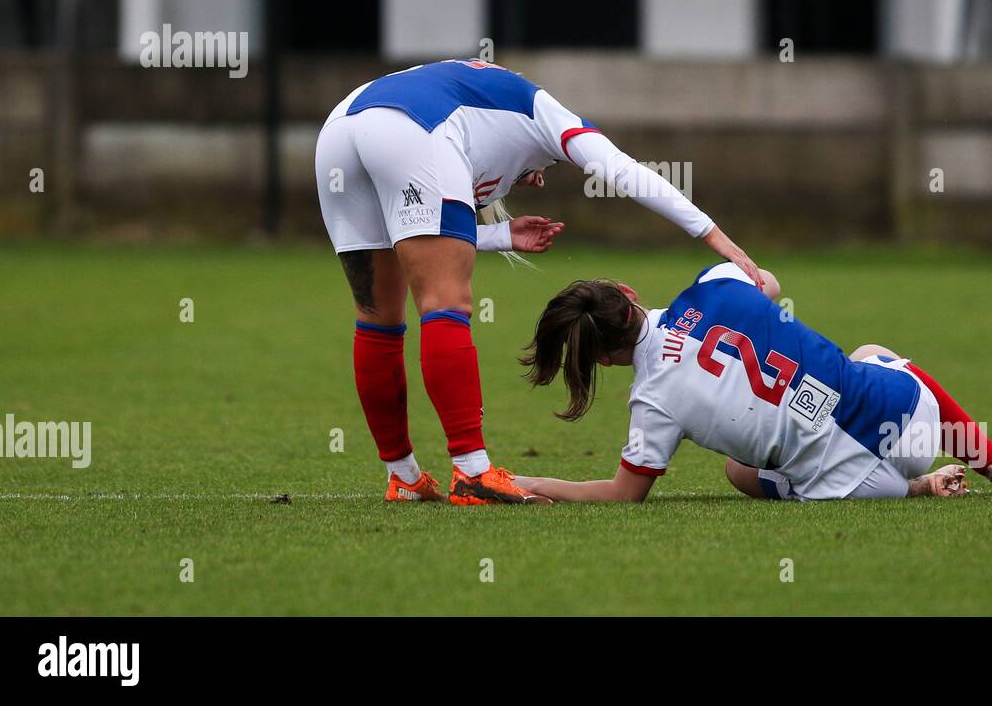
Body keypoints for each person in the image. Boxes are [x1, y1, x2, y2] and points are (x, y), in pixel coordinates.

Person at [314, 59, 761, 505]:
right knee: (445, 303)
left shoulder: (480, 102)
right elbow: (624, 171)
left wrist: (504, 234)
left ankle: (403, 476)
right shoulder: (549, 116)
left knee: (378, 317)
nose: (533, 181)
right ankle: (473, 473)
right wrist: (715, 237)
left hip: (340, 129)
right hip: (412, 131)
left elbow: (417, 233)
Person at [515, 262, 992, 502]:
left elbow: (621, 495)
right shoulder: (713, 285)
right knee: (870, 353)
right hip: (912, 430)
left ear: (603, 361)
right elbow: (770, 282)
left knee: (737, 469)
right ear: (627, 292)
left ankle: (917, 490)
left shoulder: (651, 402)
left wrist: (532, 483)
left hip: (849, 491)